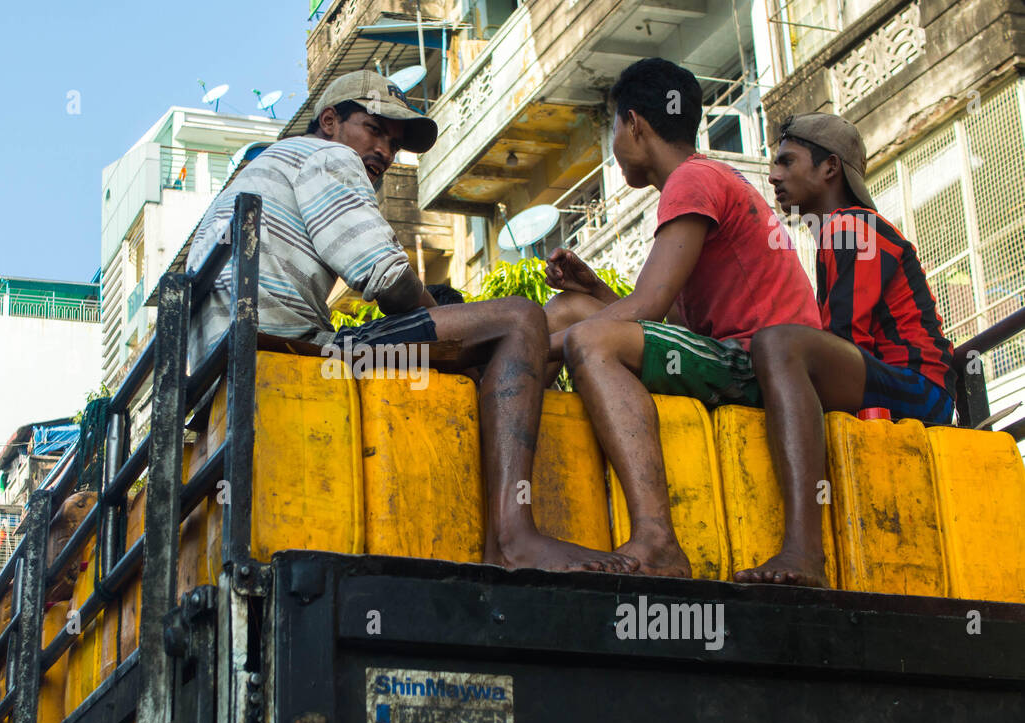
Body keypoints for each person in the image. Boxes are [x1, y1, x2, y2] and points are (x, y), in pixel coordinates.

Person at [185, 70, 636, 574]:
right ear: (329, 121)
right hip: (286, 345)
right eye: (374, 129)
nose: (383, 150)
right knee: (519, 318)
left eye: (394, 143)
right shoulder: (327, 157)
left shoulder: (274, 166)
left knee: (474, 344)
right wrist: (450, 321)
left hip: (236, 356)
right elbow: (387, 279)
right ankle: (513, 538)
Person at [545, 57, 820, 577]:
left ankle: (657, 540)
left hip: (757, 365)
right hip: (732, 356)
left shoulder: (691, 181)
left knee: (588, 342)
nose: (615, 147)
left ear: (634, 125)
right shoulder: (704, 178)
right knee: (567, 310)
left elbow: (645, 310)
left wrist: (530, 349)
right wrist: (595, 289)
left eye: (614, 131)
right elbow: (667, 321)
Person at [734, 114, 956, 587]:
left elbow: (844, 342)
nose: (773, 175)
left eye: (786, 161)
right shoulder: (835, 233)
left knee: (777, 344)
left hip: (924, 390)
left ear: (829, 168)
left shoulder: (853, 227)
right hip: (894, 381)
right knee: (778, 349)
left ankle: (803, 552)